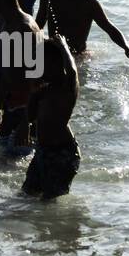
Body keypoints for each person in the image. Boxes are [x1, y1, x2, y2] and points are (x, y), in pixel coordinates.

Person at [0, 0, 44, 153]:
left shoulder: (24, 28)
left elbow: (38, 78)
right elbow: (8, 71)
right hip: (12, 106)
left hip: (27, 111)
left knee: (11, 168)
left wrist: (26, 122)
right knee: (1, 162)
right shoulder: (7, 23)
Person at [23, 37, 80, 199]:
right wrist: (33, 91)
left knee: (49, 200)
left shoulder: (67, 87)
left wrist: (63, 47)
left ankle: (57, 223)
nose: (38, 68)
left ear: (56, 64)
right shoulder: (43, 91)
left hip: (63, 153)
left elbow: (73, 72)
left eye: (42, 64)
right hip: (43, 150)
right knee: (27, 194)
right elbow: (31, 115)